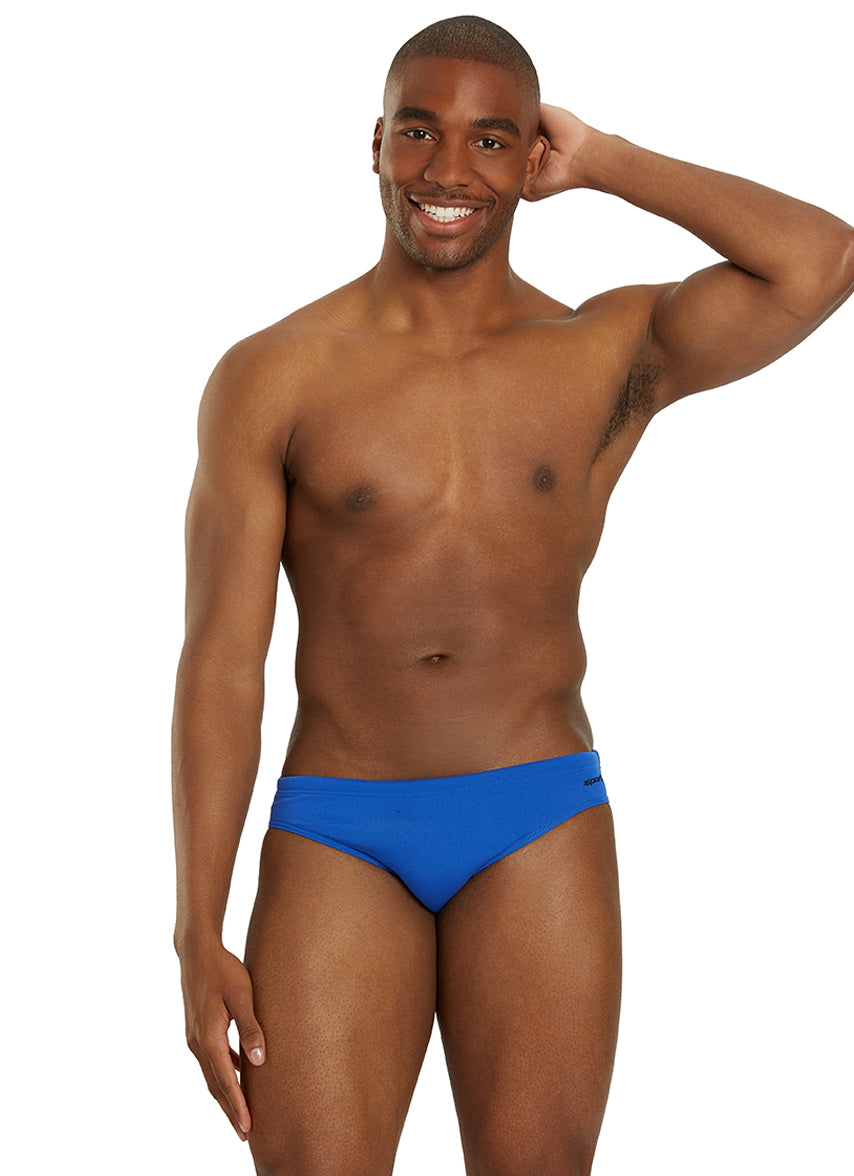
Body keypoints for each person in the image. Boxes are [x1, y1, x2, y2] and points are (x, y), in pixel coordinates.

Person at [171, 15, 854, 1175]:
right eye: (418, 131)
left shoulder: (598, 349)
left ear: (530, 158)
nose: (447, 170)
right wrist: (197, 925)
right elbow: (222, 665)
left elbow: (819, 262)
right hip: (339, 824)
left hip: (534, 817)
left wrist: (605, 160)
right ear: (373, 144)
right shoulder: (271, 375)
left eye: (491, 140)